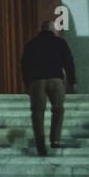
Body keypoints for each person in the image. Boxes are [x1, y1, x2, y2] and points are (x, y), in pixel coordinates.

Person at [20, 20, 77, 156]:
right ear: (52, 29)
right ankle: (55, 140)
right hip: (55, 80)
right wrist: (72, 80)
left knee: (38, 113)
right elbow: (68, 62)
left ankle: (41, 145)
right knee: (58, 110)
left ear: (41, 29)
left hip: (37, 82)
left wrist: (28, 83)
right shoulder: (60, 42)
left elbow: (24, 65)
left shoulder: (31, 44)